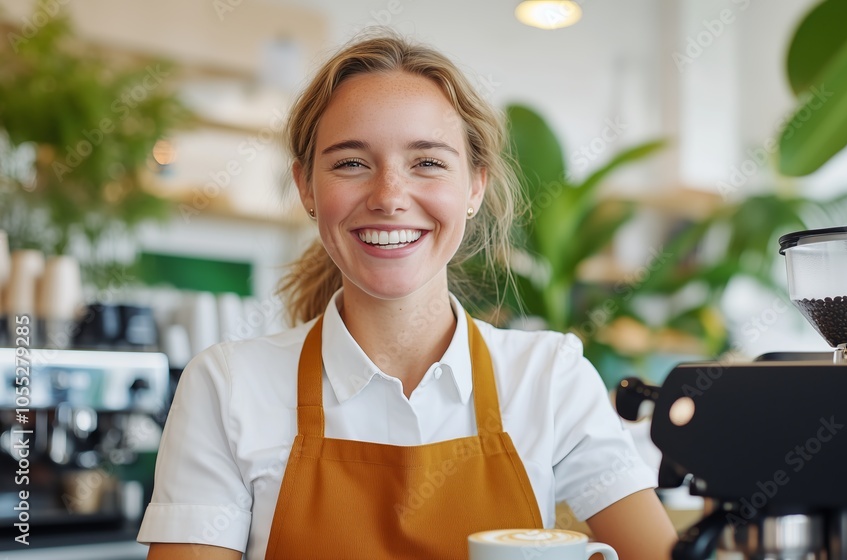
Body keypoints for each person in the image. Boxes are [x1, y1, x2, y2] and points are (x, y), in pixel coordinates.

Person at [139, 32, 677, 560]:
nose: (390, 197)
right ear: (306, 187)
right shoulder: (227, 388)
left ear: (474, 186)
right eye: (351, 162)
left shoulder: (549, 379)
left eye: (427, 162)